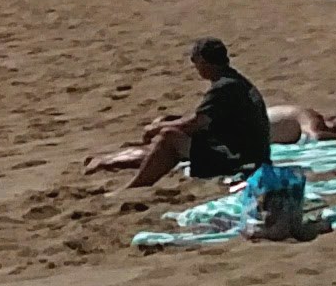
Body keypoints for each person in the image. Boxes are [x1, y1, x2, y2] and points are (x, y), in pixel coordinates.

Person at [105, 38, 271, 189]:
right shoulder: (233, 81)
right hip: (242, 149)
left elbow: (196, 123)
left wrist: (156, 128)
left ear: (204, 61)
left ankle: (135, 186)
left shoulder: (224, 87)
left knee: (168, 135)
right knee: (170, 124)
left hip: (240, 159)